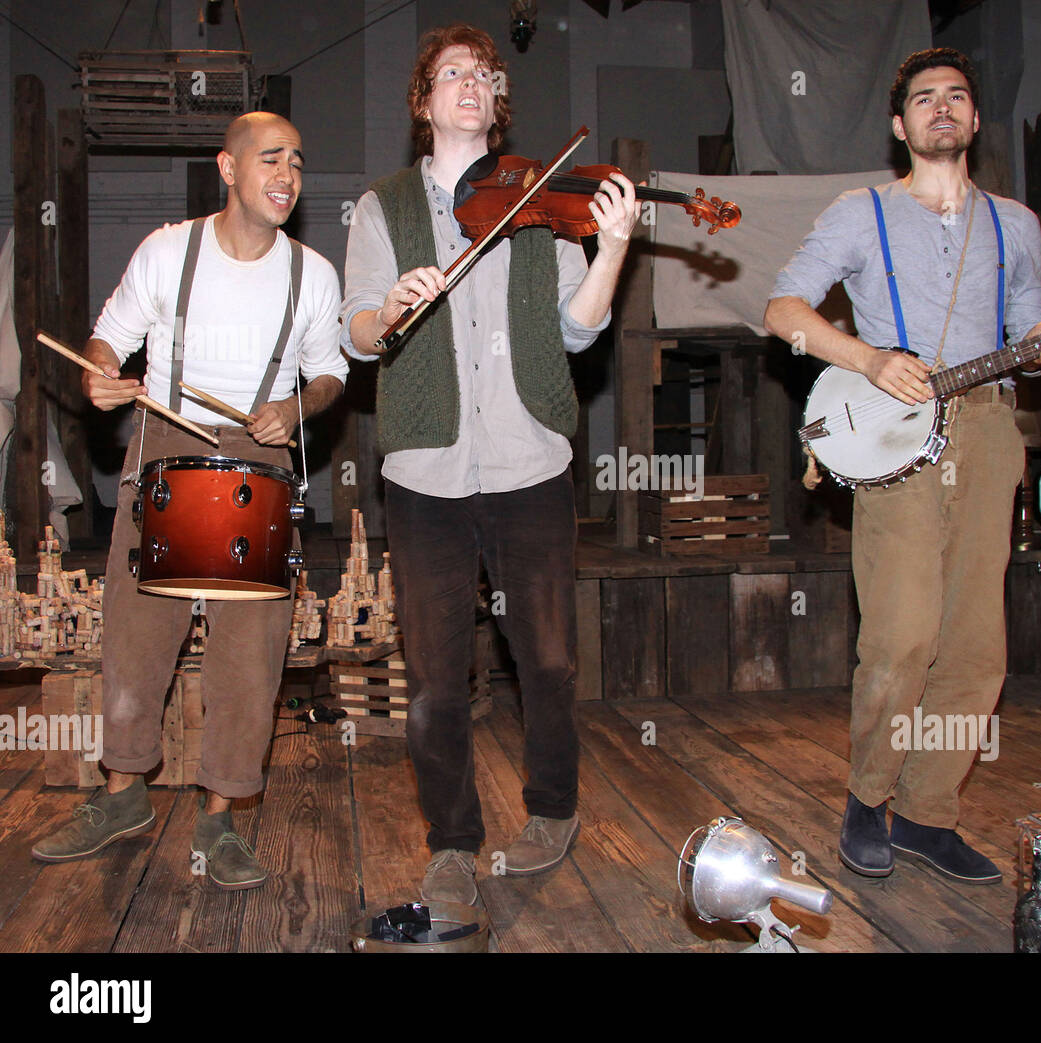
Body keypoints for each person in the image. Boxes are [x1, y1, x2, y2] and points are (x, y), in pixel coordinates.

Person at [340, 23, 637, 906]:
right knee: (434, 676)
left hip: (530, 459)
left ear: (497, 100)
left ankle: (553, 808)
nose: (473, 82)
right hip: (426, 473)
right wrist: (389, 306)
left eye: (486, 73)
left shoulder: (538, 197)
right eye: (453, 73)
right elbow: (358, 333)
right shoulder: (380, 206)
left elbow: (580, 327)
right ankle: (451, 843)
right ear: (424, 100)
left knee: (546, 658)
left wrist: (614, 246)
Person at [764, 48, 1041, 885]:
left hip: (989, 429)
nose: (943, 108)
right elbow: (782, 309)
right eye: (924, 99)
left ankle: (930, 814)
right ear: (899, 126)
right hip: (896, 433)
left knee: (976, 646)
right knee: (902, 635)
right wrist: (865, 359)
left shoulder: (1016, 222)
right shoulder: (859, 212)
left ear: (974, 121)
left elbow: (1028, 339)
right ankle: (869, 798)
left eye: (958, 97)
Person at [31, 112, 348, 890]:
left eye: (298, 163)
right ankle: (123, 793)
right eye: (270, 158)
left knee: (250, 650)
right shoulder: (167, 252)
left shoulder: (313, 274)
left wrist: (298, 409)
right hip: (165, 446)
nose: (287, 174)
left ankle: (221, 816)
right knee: (137, 634)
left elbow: (334, 370)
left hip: (260, 456)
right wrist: (99, 375)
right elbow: (107, 340)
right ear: (228, 168)